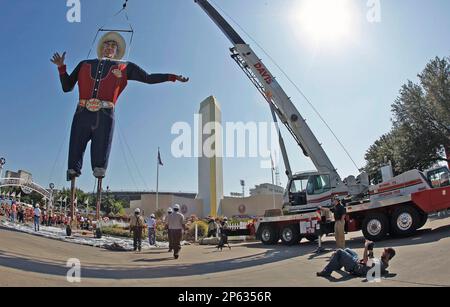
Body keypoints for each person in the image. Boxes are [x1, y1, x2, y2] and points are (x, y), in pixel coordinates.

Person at [51, 32, 189, 218]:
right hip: (82, 112)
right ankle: (72, 211)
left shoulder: (124, 67)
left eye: (113, 46)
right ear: (101, 48)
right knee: (74, 156)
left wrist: (172, 77)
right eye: (106, 45)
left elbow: (148, 78)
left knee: (100, 161)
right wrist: (61, 68)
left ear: (117, 51)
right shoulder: (84, 64)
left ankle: (98, 214)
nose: (109, 48)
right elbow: (67, 87)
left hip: (106, 114)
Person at [316, 240, 396, 278]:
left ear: (388, 255)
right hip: (358, 262)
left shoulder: (381, 264)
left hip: (356, 267)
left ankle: (326, 272)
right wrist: (370, 249)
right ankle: (337, 264)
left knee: (340, 252)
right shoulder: (383, 262)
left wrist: (365, 246)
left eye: (385, 251)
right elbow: (371, 260)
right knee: (347, 250)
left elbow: (366, 261)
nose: (383, 252)